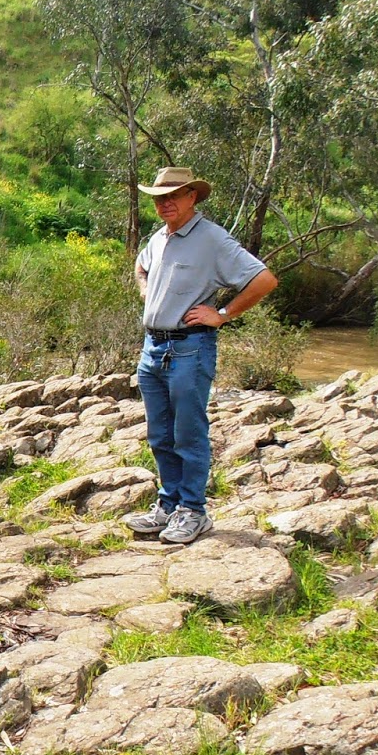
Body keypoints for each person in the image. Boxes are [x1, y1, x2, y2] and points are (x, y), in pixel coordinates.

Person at [123, 166, 279, 545]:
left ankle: (194, 511)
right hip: (153, 347)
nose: (165, 204)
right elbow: (140, 265)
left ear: (192, 196)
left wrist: (222, 315)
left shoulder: (211, 239)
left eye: (173, 196)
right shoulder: (160, 238)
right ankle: (169, 505)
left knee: (188, 433)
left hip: (190, 348)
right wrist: (147, 291)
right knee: (160, 434)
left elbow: (264, 279)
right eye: (160, 198)